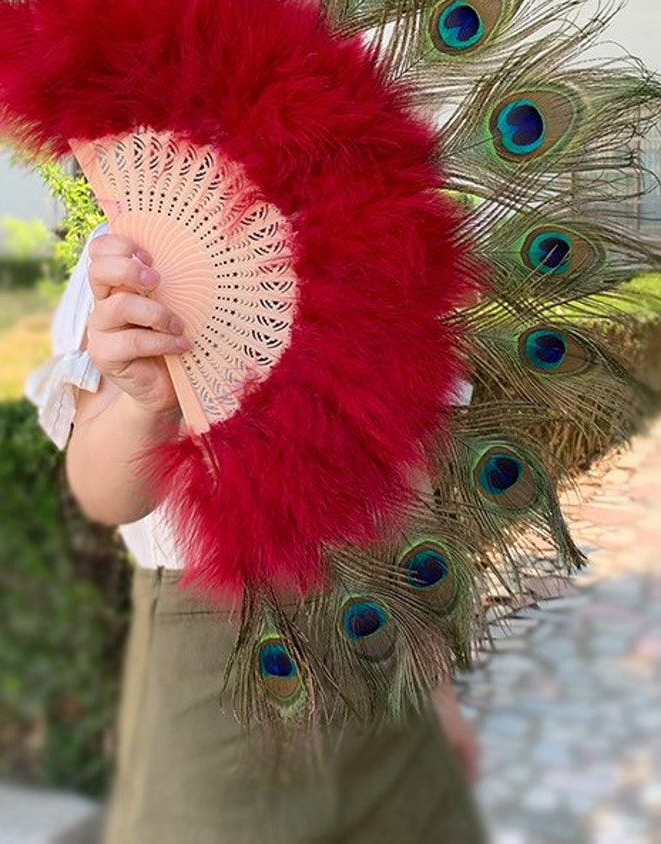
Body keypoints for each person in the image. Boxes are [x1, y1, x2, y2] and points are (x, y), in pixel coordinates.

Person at [29, 225, 488, 843]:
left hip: (384, 656)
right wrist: (149, 408)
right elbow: (102, 493)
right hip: (214, 670)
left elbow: (409, 497)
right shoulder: (132, 250)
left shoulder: (375, 227)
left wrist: (439, 699)